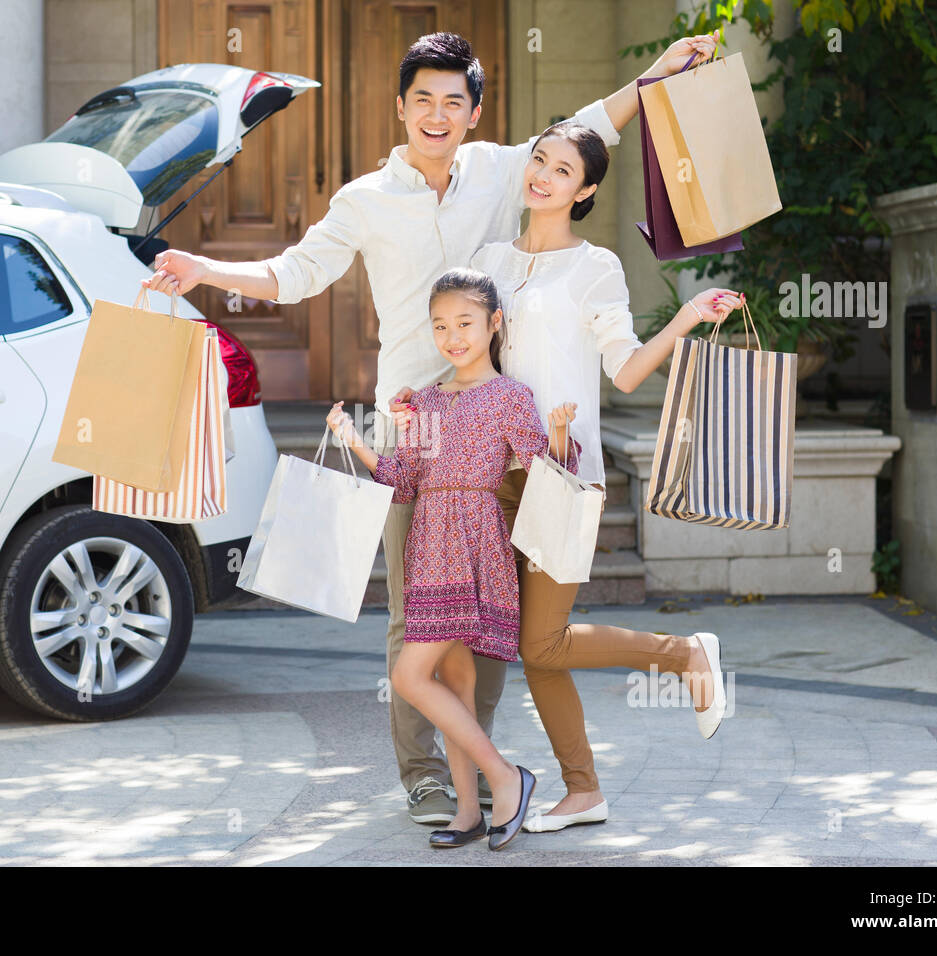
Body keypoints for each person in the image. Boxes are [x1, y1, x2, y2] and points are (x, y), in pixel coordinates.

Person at [142, 29, 722, 824]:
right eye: (424, 100)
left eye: (455, 101)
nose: (438, 114)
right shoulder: (363, 200)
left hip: (498, 423)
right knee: (416, 613)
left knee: (490, 612)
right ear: (402, 107)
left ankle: (478, 762)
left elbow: (585, 134)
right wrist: (205, 269)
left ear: (475, 111)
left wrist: (654, 74)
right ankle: (423, 774)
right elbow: (294, 273)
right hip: (412, 424)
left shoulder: (499, 171)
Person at [393, 120, 741, 832]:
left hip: (560, 472)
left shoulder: (596, 267)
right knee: (518, 644)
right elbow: (467, 343)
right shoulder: (490, 256)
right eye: (540, 160)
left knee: (540, 641)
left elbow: (626, 366)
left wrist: (684, 321)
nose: (543, 176)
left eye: (562, 171)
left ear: (584, 191)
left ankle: (683, 654)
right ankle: (582, 791)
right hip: (491, 480)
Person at [326, 268, 579, 849]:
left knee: (410, 674)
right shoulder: (428, 401)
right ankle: (468, 810)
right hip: (430, 542)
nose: (452, 336)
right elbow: (400, 483)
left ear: (493, 324)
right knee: (456, 682)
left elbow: (545, 471)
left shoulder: (510, 396)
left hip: (477, 541)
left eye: (464, 323)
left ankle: (505, 778)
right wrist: (355, 436)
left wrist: (561, 433)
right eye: (440, 326)